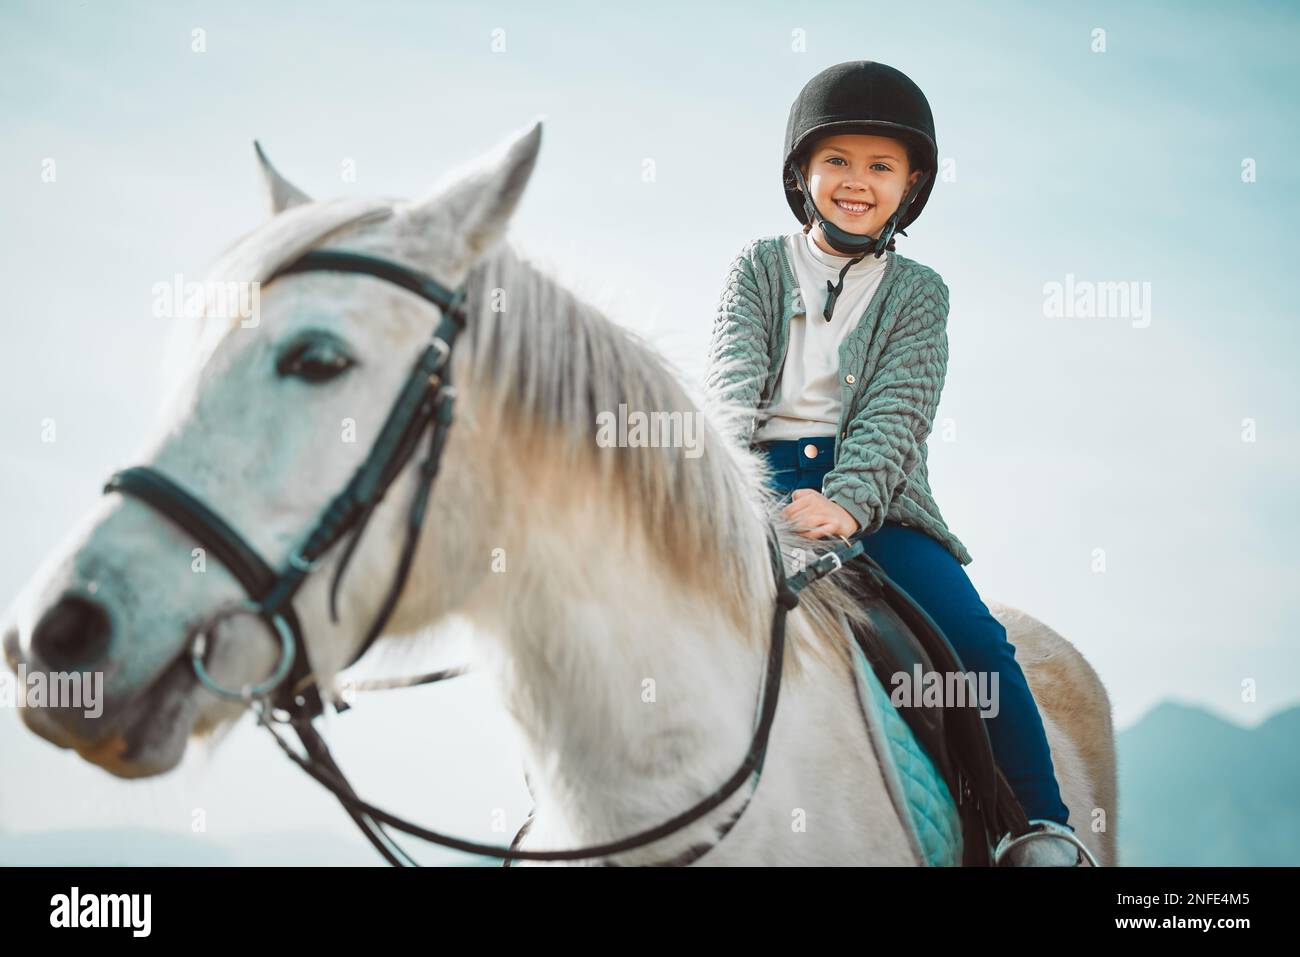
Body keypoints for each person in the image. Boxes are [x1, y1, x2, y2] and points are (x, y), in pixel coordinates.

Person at [705, 60, 1083, 865]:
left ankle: (1038, 828)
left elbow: (897, 411)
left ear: (910, 187)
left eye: (881, 166)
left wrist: (845, 502)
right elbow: (731, 390)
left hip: (878, 497)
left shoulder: (921, 293)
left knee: (978, 643)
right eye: (837, 160)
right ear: (802, 174)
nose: (856, 181)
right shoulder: (756, 268)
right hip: (752, 485)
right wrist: (743, 488)